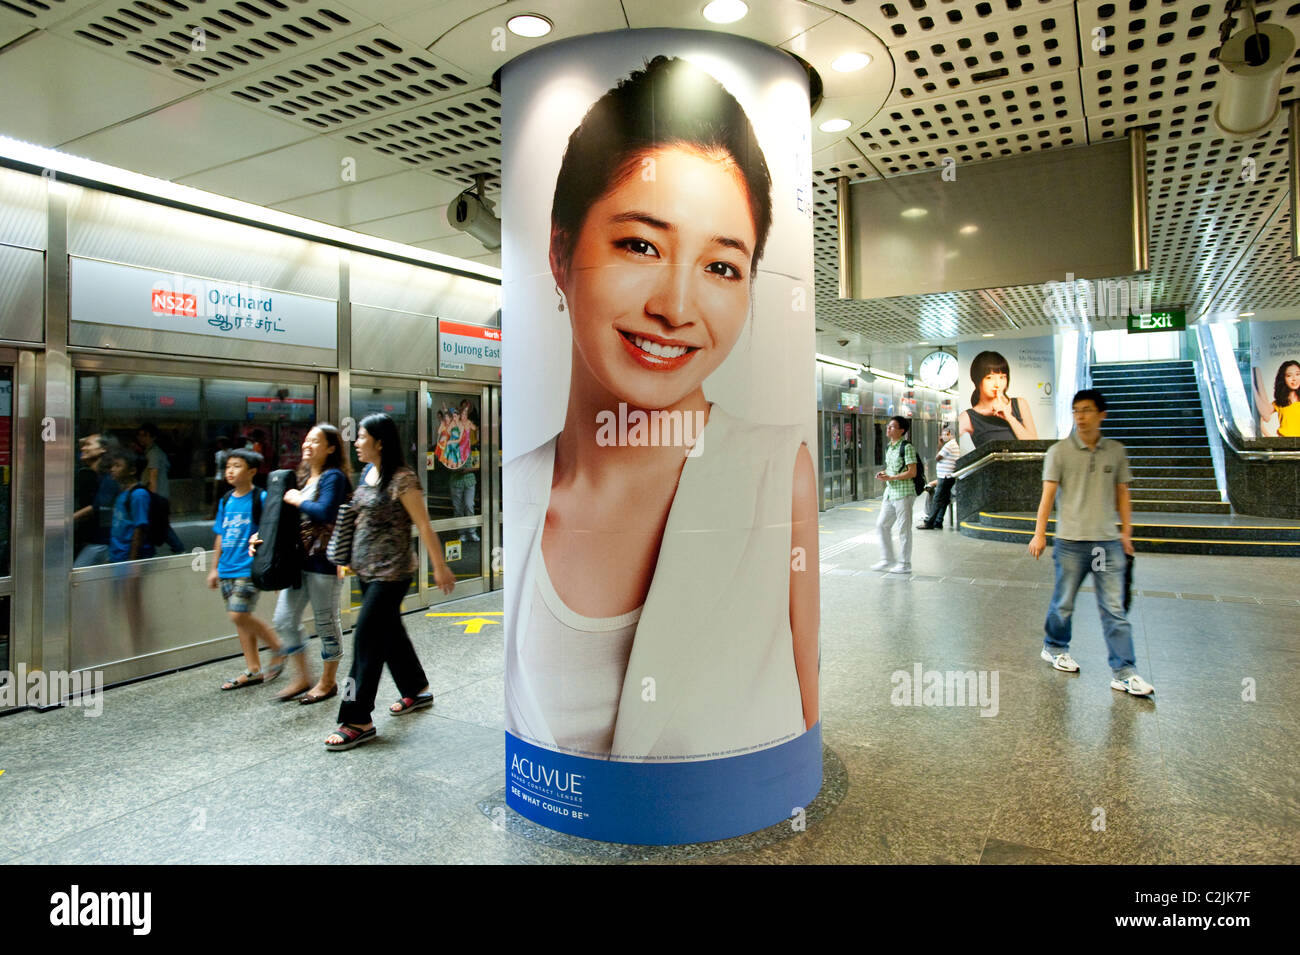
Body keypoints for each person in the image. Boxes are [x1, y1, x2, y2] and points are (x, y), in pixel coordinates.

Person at [505, 55, 818, 763]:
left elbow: (804, 716)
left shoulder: (777, 475)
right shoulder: (519, 491)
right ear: (560, 253)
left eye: (720, 267)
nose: (676, 308)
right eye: (641, 244)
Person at [325, 413, 456, 751]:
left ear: (380, 442)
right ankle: (416, 689)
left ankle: (357, 718)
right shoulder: (369, 474)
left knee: (366, 640)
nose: (356, 442)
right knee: (390, 633)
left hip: (393, 572)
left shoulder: (403, 479)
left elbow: (424, 525)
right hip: (366, 571)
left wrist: (439, 567)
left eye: (362, 437)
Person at [1027, 389, 1155, 697]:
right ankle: (1055, 646)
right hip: (1071, 543)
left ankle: (1124, 671)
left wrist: (1126, 533)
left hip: (1105, 544)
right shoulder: (1059, 452)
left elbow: (1123, 493)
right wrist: (1039, 533)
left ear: (1102, 414)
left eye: (1086, 410)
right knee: (1064, 603)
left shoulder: (1116, 452)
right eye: (1076, 411)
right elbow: (1048, 496)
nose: (1080, 417)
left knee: (1113, 608)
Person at [257, 424, 352, 703]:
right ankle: (301, 677)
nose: (307, 446)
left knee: (325, 622)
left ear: (331, 448)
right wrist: (261, 537)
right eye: (306, 441)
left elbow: (325, 512)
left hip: (324, 561)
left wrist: (298, 500)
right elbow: (289, 522)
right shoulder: (302, 478)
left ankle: (328, 681)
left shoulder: (333, 477)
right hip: (298, 562)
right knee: (284, 620)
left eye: (315, 441)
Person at [208, 449, 285, 691]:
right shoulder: (226, 499)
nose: (230, 471)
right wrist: (213, 568)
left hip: (248, 567)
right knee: (240, 621)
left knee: (238, 614)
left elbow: (271, 531)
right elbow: (220, 534)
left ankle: (277, 646)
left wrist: (273, 571)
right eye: (228, 466)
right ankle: (253, 669)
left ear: (252, 471)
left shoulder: (260, 499)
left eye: (237, 466)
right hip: (227, 568)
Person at [958, 351, 1038, 448]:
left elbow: (1035, 445)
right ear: (977, 380)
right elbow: (943, 439)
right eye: (989, 378)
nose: (997, 384)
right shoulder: (969, 416)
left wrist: (1009, 417)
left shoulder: (1020, 404)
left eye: (1002, 377)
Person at [872, 416, 917, 574]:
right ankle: (887, 559)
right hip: (890, 493)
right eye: (888, 426)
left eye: (892, 427)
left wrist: (891, 477)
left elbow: (912, 472)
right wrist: (884, 474)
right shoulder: (889, 447)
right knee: (882, 525)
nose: (888, 429)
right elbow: (892, 468)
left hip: (904, 493)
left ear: (901, 431)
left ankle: (905, 564)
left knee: (903, 529)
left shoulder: (907, 447)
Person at [73, 434, 121, 567]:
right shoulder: (96, 474)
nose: (83, 448)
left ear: (103, 449)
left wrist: (68, 519)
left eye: (88, 444)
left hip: (102, 540)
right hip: (93, 537)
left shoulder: (109, 478)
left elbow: (97, 506)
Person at [137, 423, 185, 553]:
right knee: (160, 524)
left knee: (161, 525)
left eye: (145, 435)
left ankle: (178, 547)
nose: (141, 438)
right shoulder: (154, 452)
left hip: (157, 495)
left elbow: (153, 476)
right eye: (140, 435)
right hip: (159, 495)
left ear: (153, 437)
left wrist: (152, 498)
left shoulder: (154, 453)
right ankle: (177, 547)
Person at [106, 451, 155, 563]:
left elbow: (139, 529)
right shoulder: (123, 492)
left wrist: (133, 562)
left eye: (118, 466)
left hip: (127, 558)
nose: (112, 469)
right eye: (113, 465)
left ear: (132, 471)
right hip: (117, 555)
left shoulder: (139, 494)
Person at [918, 424, 961, 530]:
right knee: (944, 501)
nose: (942, 436)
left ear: (949, 434)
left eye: (943, 434)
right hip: (947, 476)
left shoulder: (949, 445)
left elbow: (937, 457)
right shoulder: (953, 444)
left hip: (945, 477)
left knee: (937, 499)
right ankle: (938, 521)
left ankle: (929, 523)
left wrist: (940, 443)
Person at [1253, 360, 1300, 438]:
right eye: (1289, 375)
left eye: (1298, 374)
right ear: (1283, 379)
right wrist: (1271, 439)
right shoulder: (1280, 402)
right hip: (1285, 445)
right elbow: (1265, 417)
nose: (1294, 379)